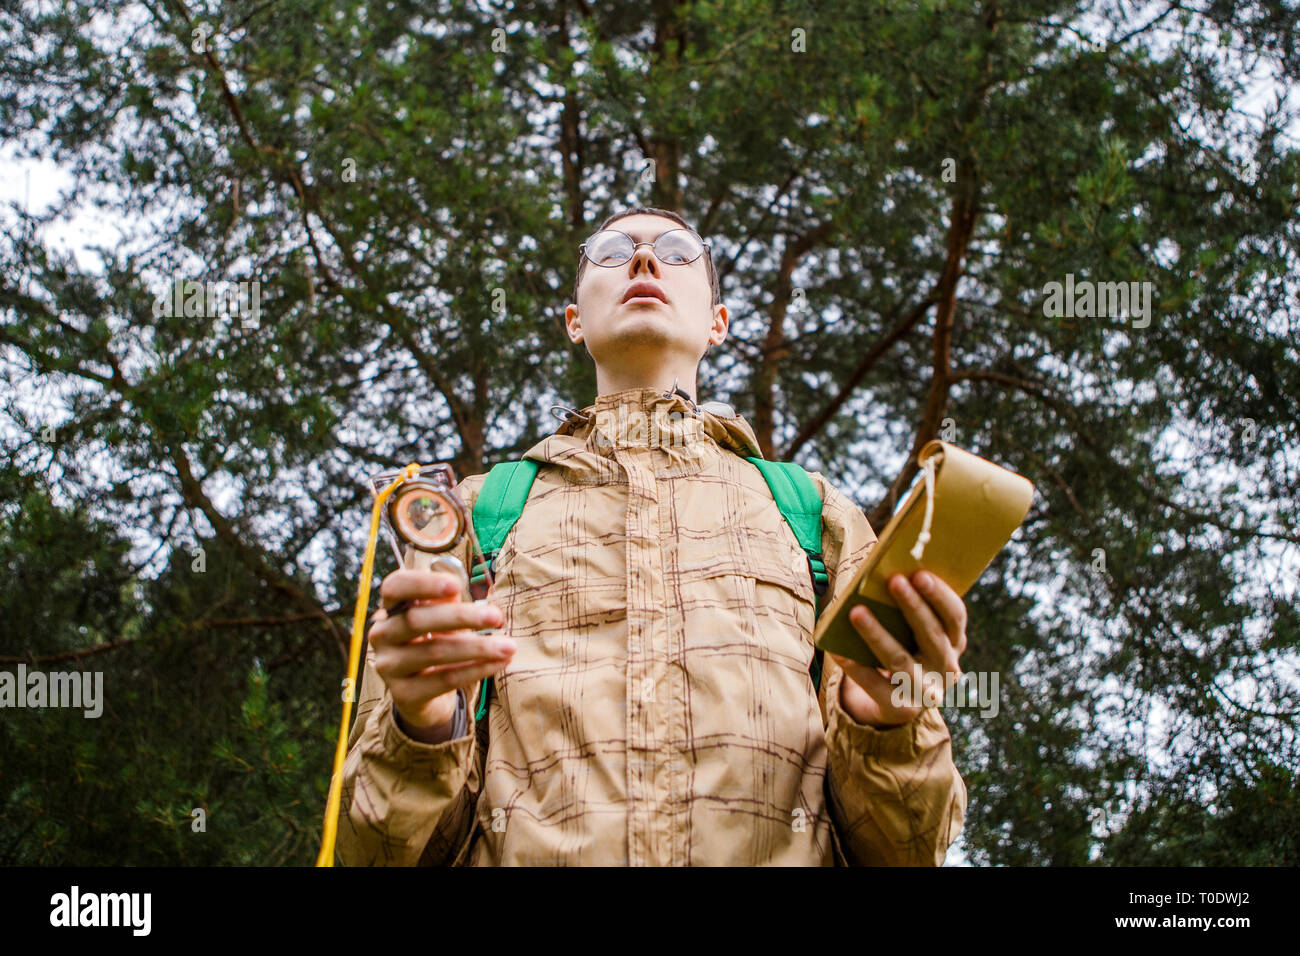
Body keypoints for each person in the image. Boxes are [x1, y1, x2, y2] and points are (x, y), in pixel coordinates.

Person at [336, 206, 968, 866]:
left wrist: (885, 720)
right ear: (574, 322)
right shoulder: (477, 513)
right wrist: (424, 723)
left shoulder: (812, 513)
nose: (642, 260)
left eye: (674, 250)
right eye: (611, 251)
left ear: (718, 324)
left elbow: (908, 848)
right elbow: (378, 851)